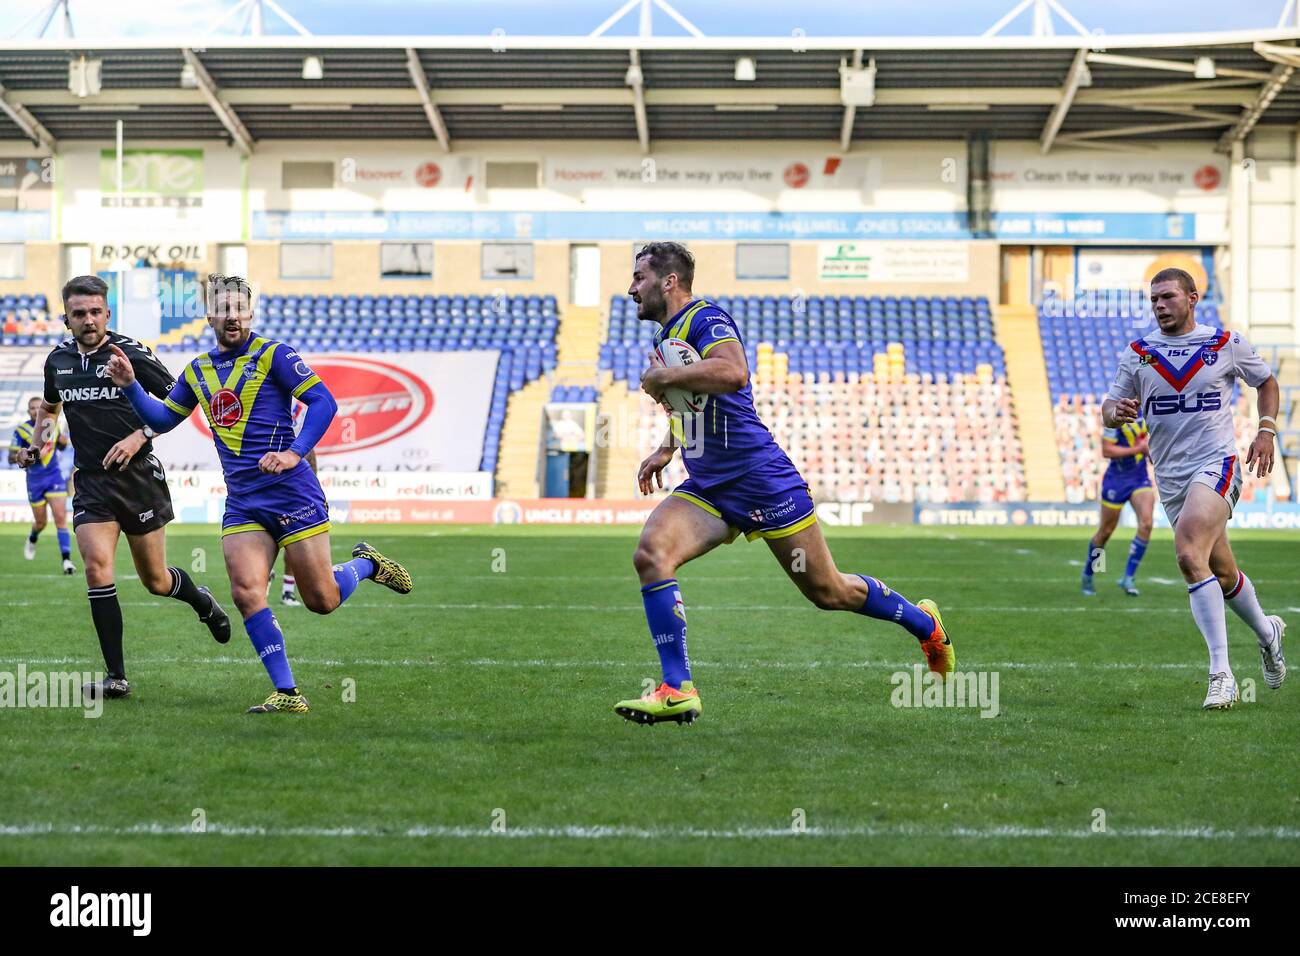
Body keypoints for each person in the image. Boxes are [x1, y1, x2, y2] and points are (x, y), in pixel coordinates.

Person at [613, 242, 953, 726]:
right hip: (709, 485)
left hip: (761, 480)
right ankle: (676, 689)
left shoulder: (706, 318)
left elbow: (733, 373)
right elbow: (697, 403)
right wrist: (668, 448)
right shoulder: (671, 334)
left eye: (639, 278)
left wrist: (663, 375)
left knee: (829, 592)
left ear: (669, 281)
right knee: (651, 554)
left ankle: (926, 625)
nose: (631, 288)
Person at [107, 274, 413, 714]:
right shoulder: (198, 370)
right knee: (247, 591)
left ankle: (366, 564)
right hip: (244, 500)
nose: (231, 315)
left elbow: (324, 402)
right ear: (210, 315)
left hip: (292, 492)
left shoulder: (275, 356)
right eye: (223, 308)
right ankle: (287, 693)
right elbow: (164, 417)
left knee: (321, 600)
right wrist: (131, 385)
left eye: (239, 307)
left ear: (250, 312)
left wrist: (294, 453)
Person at [18, 275, 231, 700]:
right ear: (66, 318)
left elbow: (179, 401)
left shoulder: (129, 353)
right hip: (92, 482)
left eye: (96, 311)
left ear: (107, 313)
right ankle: (116, 676)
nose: (89, 319)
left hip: (137, 479)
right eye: (79, 313)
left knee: (155, 579)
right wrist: (38, 444)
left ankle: (202, 601)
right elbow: (50, 406)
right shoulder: (57, 362)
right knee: (97, 569)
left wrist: (139, 436)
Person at [1102, 268, 1286, 709]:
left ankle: (1221, 674)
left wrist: (1266, 430)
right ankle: (1268, 633)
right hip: (1169, 477)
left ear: (1192, 297)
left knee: (1187, 554)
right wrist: (1117, 411)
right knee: (1221, 572)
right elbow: (1108, 408)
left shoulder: (1225, 344)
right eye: (1153, 300)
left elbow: (1267, 382)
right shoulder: (1139, 353)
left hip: (1217, 464)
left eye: (1167, 297)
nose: (1160, 305)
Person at [1081, 414, 1154, 597]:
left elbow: (1152, 452)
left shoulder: (1149, 411)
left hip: (1140, 479)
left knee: (1146, 524)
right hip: (1116, 481)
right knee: (1105, 532)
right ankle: (1090, 573)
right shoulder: (1116, 415)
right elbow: (1107, 450)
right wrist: (1138, 448)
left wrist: (1152, 452)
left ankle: (1128, 577)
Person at [9, 395, 75, 574]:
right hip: (35, 480)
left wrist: (62, 443)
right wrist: (21, 455)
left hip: (54, 476)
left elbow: (59, 447)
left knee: (61, 520)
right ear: (28, 411)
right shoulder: (21, 431)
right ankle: (32, 538)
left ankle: (67, 561)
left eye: (39, 407)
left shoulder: (51, 426)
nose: (36, 410)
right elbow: (10, 457)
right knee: (41, 523)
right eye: (32, 408)